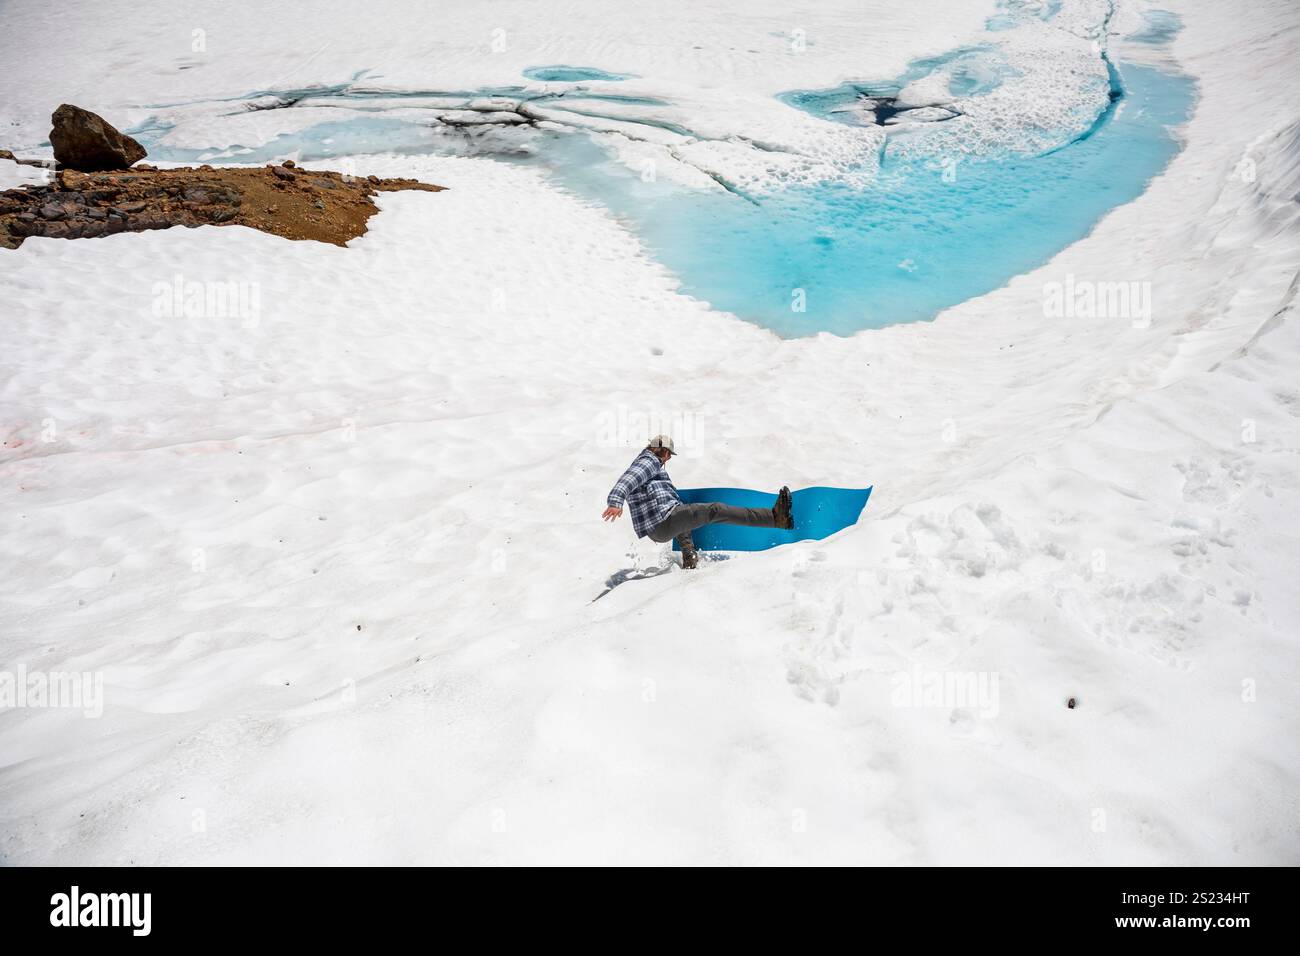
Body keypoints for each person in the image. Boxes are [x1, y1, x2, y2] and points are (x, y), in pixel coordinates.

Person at [602, 435, 793, 569]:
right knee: (715, 510)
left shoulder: (651, 465)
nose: (668, 459)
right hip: (662, 523)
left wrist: (687, 549)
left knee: (682, 509)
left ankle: (689, 557)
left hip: (662, 524)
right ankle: (775, 518)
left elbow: (674, 509)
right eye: (669, 454)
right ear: (663, 451)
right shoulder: (649, 461)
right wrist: (616, 501)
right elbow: (627, 480)